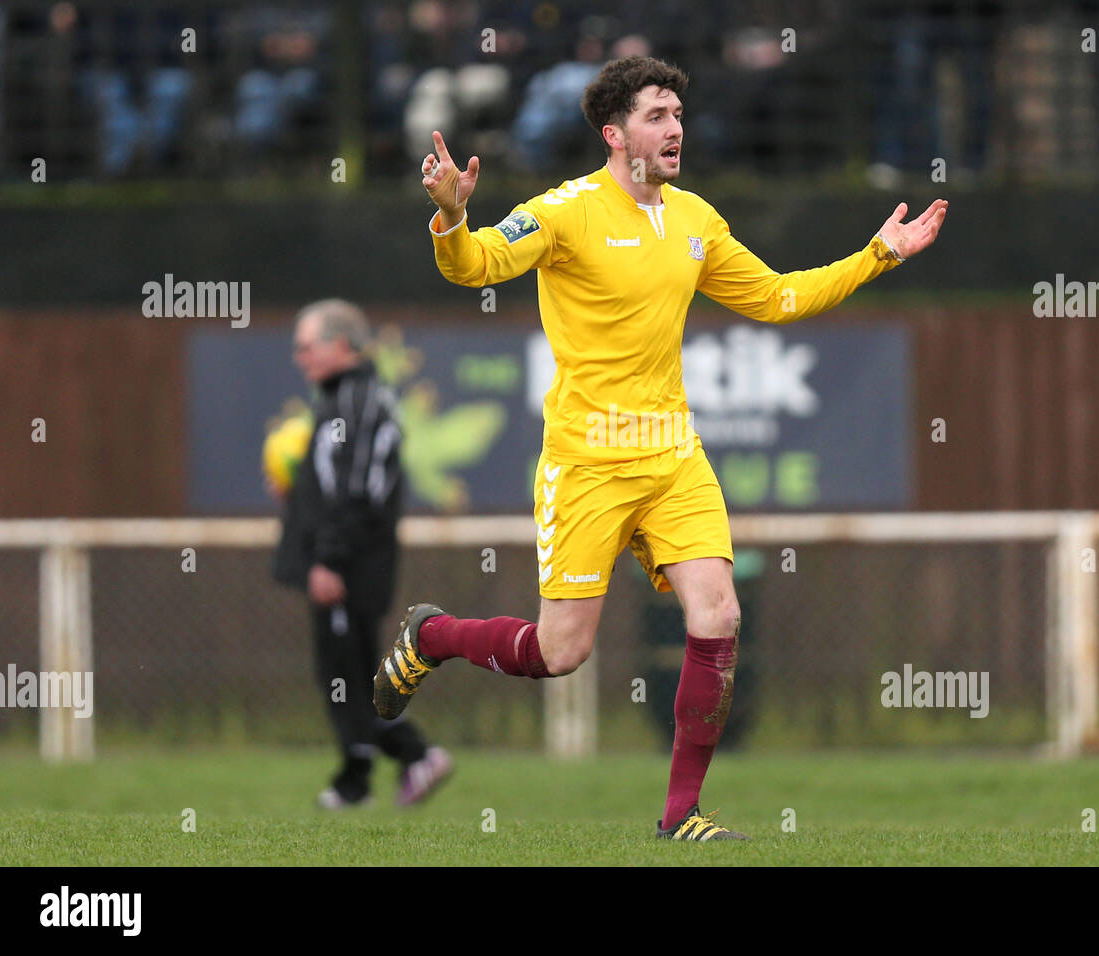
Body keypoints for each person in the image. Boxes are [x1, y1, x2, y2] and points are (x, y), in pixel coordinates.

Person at [375, 56, 946, 840]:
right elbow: (478, 265)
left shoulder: (696, 220)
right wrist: (450, 218)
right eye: (656, 114)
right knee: (560, 652)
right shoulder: (562, 211)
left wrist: (878, 253)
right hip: (586, 462)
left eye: (678, 113)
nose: (675, 127)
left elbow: (777, 298)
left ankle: (681, 816)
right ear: (614, 134)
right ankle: (432, 637)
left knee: (719, 613)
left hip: (673, 456)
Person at [273, 299, 451, 809]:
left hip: (350, 564)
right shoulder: (342, 399)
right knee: (343, 671)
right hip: (346, 557)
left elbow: (354, 492)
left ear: (340, 345)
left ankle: (411, 756)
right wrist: (294, 492)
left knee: (347, 674)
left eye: (306, 346)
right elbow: (334, 486)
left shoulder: (357, 403)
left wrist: (327, 560)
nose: (299, 357)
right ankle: (360, 776)